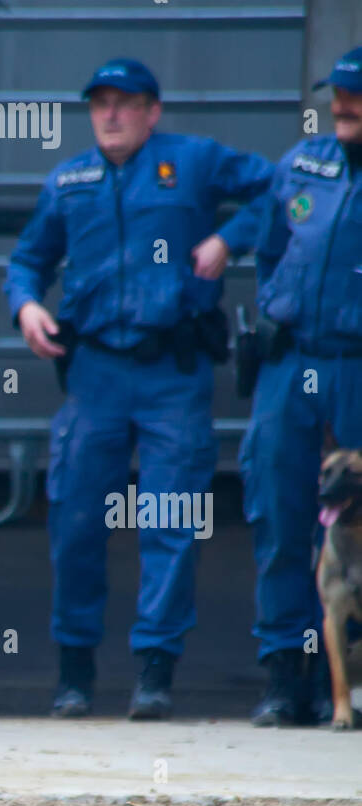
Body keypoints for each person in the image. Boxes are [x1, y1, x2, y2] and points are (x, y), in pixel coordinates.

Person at [5, 58, 272, 719]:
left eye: (126, 103)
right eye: (101, 104)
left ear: (154, 110)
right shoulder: (69, 181)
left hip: (171, 372)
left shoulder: (195, 160)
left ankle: (155, 673)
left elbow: (279, 189)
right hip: (94, 374)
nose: (112, 114)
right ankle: (74, 674)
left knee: (170, 521)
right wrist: (26, 307)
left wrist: (228, 238)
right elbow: (27, 260)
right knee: (73, 522)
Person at [238, 46, 362, 726]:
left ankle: (352, 684)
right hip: (293, 363)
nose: (343, 103)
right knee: (282, 513)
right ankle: (288, 677)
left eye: (356, 94)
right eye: (338, 93)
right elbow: (269, 251)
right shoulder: (303, 163)